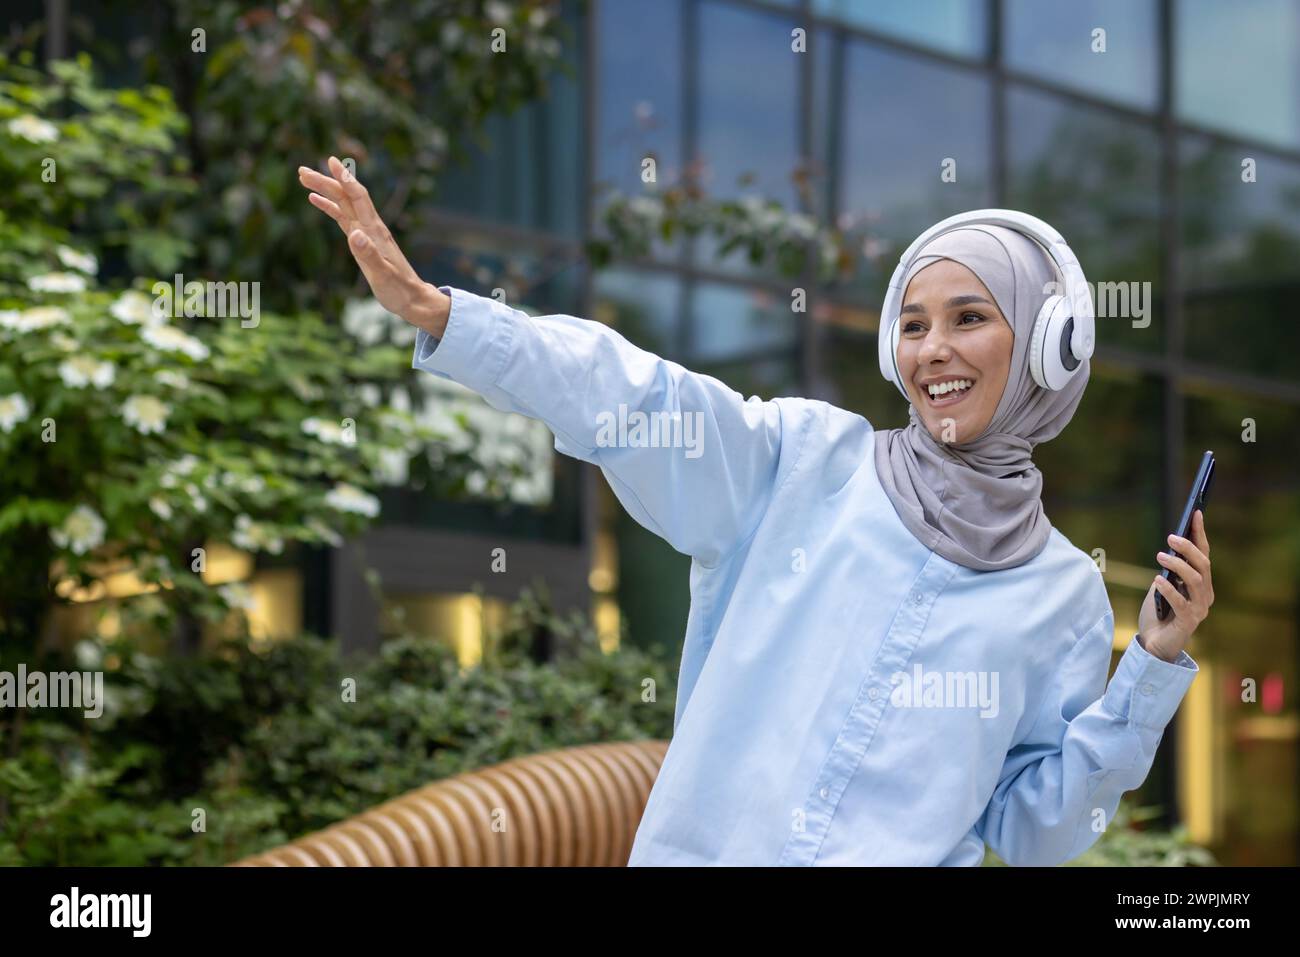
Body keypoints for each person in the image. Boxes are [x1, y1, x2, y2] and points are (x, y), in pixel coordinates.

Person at [297, 156, 1213, 866]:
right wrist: (446, 316)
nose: (934, 349)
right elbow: (640, 399)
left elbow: (1034, 826)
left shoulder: (1063, 594)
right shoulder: (805, 464)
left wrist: (1153, 665)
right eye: (914, 324)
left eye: (971, 316)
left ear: (1052, 347)